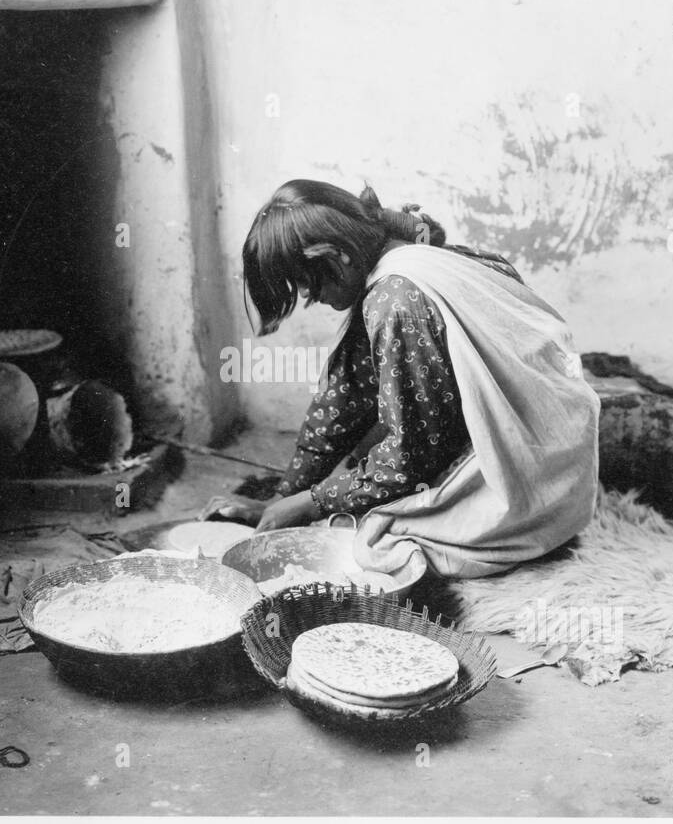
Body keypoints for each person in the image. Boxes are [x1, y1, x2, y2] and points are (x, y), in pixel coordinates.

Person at [204, 179, 600, 579]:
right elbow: (345, 396)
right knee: (364, 459)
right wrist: (283, 496)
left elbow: (408, 456)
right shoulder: (399, 260)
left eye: (307, 282)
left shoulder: (396, 300)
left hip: (535, 472)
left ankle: (516, 527)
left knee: (376, 544)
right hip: (557, 447)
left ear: (336, 255)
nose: (309, 298)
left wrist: (310, 502)